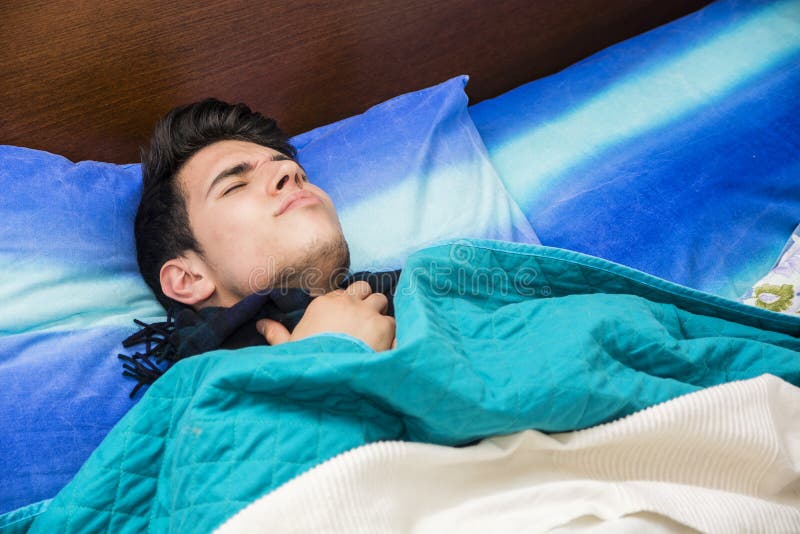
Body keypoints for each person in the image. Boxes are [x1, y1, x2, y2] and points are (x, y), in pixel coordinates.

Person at [121, 98, 399, 397]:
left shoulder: (429, 285)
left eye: (300, 174)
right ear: (189, 278)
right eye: (235, 185)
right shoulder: (185, 403)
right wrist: (328, 356)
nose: (291, 172)